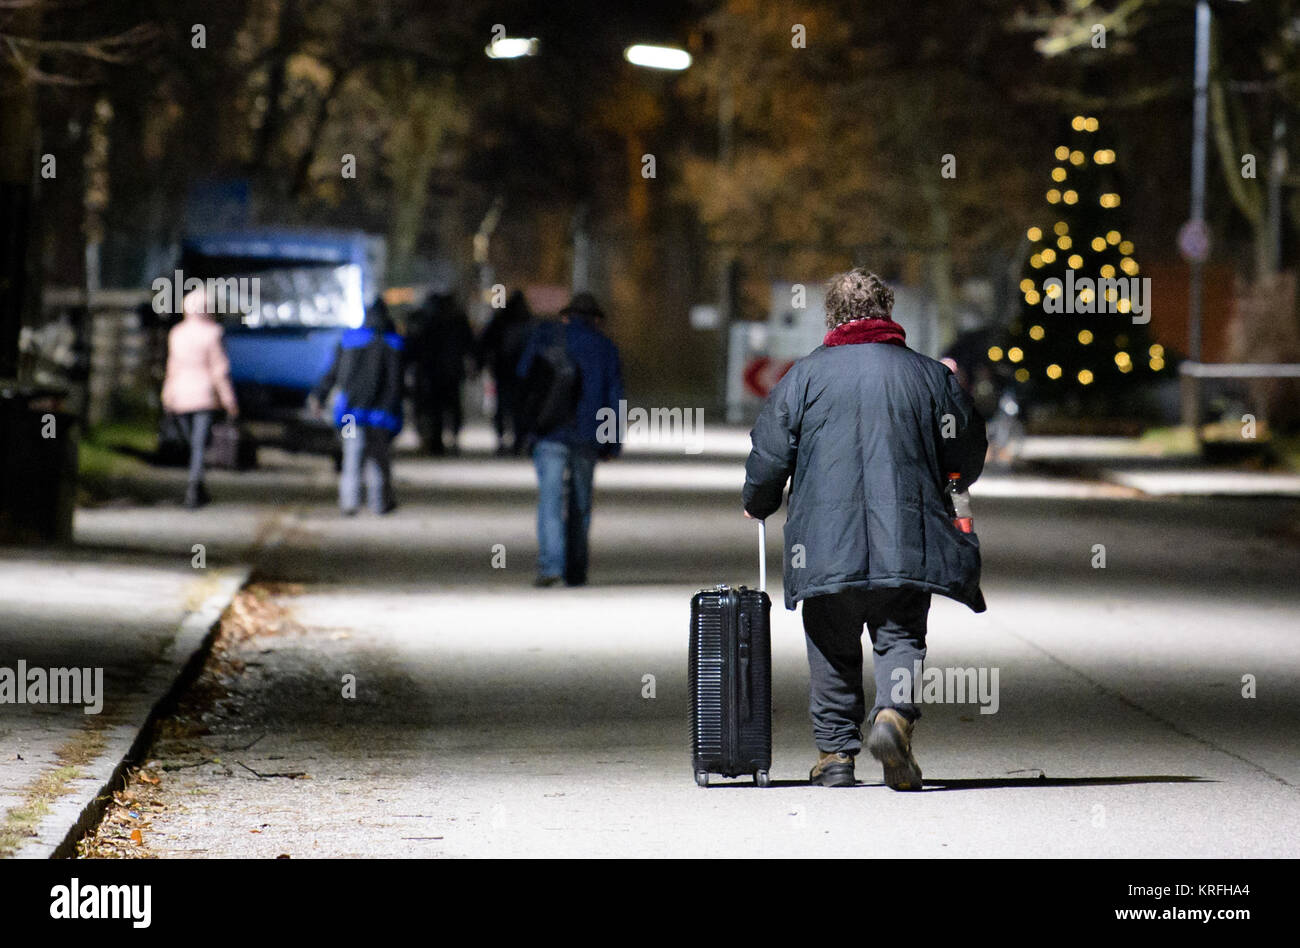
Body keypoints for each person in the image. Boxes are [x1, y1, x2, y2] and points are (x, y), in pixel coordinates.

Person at [742, 268, 987, 791]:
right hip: (908, 540)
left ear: (832, 316)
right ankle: (893, 716)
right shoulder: (929, 376)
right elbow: (965, 448)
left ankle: (834, 755)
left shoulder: (803, 378)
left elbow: (769, 455)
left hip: (825, 547)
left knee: (831, 641)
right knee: (900, 636)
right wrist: (956, 479)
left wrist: (757, 502)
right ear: (887, 311)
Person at [517, 292, 625, 588]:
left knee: (550, 502)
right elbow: (615, 398)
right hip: (588, 436)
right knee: (580, 504)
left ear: (567, 316)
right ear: (597, 320)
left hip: (549, 431)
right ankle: (575, 571)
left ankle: (551, 564)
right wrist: (613, 443)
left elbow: (525, 377)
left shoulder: (547, 339)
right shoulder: (606, 348)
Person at [310, 299, 404, 515]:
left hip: (350, 414)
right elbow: (397, 383)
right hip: (381, 416)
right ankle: (379, 503)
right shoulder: (394, 343)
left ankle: (349, 502)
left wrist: (319, 397)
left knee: (351, 456)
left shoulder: (348, 340)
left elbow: (332, 373)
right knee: (379, 459)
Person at [161, 287, 239, 509]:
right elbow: (219, 370)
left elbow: (172, 367)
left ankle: (196, 485)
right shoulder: (214, 333)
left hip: (180, 396)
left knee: (191, 443)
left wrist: (167, 394)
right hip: (204, 397)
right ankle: (195, 486)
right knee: (198, 444)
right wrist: (229, 401)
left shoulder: (176, 333)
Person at [408, 291, 474, 455]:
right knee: (450, 406)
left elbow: (412, 347)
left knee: (434, 408)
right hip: (449, 372)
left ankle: (436, 440)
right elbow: (469, 345)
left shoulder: (424, 320)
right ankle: (449, 437)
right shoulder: (456, 320)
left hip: (430, 373)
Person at [478, 289, 534, 454]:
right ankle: (518, 439)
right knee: (520, 407)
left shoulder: (500, 321)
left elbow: (485, 343)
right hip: (522, 374)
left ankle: (503, 438)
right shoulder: (528, 322)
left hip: (504, 371)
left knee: (504, 407)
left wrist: (482, 363)